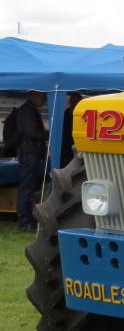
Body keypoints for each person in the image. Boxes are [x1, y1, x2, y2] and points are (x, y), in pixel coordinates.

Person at [16, 90, 48, 233]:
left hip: (31, 152)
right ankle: (24, 221)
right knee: (27, 188)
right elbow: (32, 132)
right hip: (30, 153)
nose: (45, 101)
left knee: (29, 187)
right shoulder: (27, 111)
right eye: (43, 97)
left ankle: (27, 218)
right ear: (34, 96)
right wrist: (48, 133)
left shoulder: (28, 109)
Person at [60, 92, 82, 168]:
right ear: (69, 102)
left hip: (78, 144)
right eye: (72, 101)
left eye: (76, 102)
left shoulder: (83, 115)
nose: (74, 104)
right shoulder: (63, 116)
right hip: (65, 147)